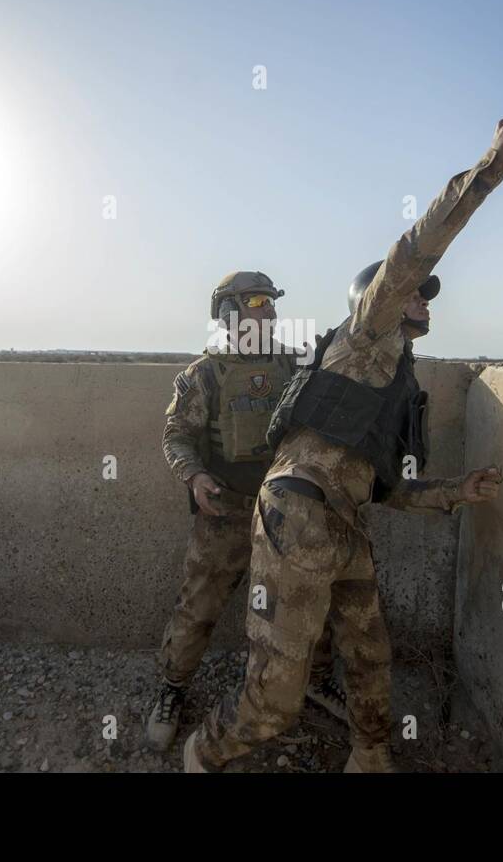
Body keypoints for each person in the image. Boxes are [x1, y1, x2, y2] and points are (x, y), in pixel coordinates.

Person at [183, 102, 503, 773]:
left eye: (425, 297)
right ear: (379, 299)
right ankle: (202, 753)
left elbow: (389, 488)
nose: (424, 300)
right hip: (297, 512)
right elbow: (417, 249)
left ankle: (371, 757)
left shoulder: (398, 384)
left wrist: (455, 492)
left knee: (371, 659)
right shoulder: (367, 334)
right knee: (273, 701)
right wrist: (494, 163)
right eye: (416, 295)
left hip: (346, 526)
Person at [147, 272, 345, 752]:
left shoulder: (295, 364)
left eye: (272, 301)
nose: (270, 309)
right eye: (259, 300)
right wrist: (195, 477)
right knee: (200, 605)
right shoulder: (204, 375)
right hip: (226, 512)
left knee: (306, 597)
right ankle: (172, 690)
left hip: (286, 508)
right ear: (230, 312)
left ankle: (316, 679)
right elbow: (176, 436)